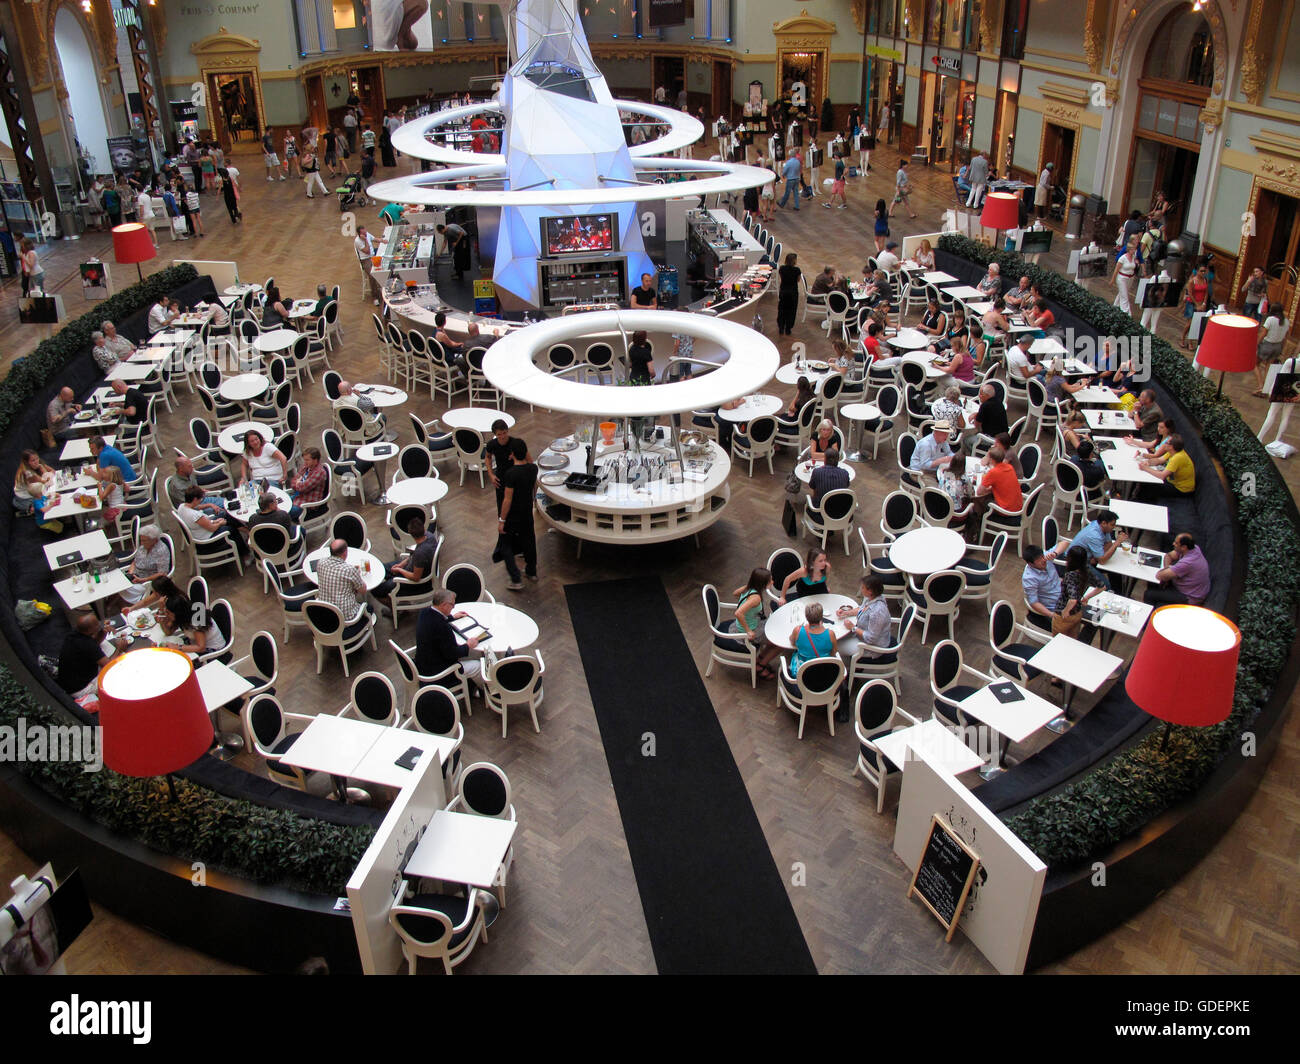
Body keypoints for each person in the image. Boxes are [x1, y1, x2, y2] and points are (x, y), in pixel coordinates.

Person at [416, 589, 484, 683]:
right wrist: (468, 645)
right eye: (452, 605)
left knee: (469, 653)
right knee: (478, 666)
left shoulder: (424, 612)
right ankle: (487, 691)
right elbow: (452, 654)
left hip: (424, 662)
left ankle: (471, 686)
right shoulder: (442, 627)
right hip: (438, 672)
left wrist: (451, 617)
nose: (454, 607)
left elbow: (436, 620)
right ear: (444, 605)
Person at [497, 439, 539, 590]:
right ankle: (531, 572)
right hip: (527, 512)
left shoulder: (511, 474)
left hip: (513, 515)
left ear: (512, 454)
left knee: (505, 544)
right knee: (529, 541)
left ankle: (515, 579)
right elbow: (534, 488)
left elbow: (507, 499)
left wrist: (502, 520)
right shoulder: (533, 469)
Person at [59, 614, 128, 699]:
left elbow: (95, 645)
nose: (100, 625)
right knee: (121, 666)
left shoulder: (74, 634)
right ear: (89, 630)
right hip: (81, 688)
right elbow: (108, 665)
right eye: (97, 625)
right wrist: (119, 649)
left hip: (72, 677)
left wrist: (103, 632)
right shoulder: (86, 644)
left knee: (105, 648)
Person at [374, 515, 438, 604]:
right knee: (380, 568)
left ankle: (397, 609)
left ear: (410, 533)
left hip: (414, 583)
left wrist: (399, 570)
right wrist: (401, 565)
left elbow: (416, 577)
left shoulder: (421, 553)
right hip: (409, 568)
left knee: (376, 590)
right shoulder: (429, 536)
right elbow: (412, 555)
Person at [178, 485, 246, 557]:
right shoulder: (195, 515)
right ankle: (244, 553)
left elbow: (197, 508)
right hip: (206, 540)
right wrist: (220, 523)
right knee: (231, 529)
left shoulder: (182, 506)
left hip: (201, 531)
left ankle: (246, 531)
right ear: (195, 499)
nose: (201, 501)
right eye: (200, 499)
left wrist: (214, 520)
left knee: (226, 515)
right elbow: (212, 528)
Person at [837, 575, 894, 659]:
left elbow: (871, 638)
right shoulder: (870, 597)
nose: (861, 589)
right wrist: (846, 613)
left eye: (863, 587)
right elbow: (862, 609)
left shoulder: (877, 612)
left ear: (870, 591)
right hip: (860, 635)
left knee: (835, 646)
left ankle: (846, 668)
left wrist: (853, 628)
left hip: (871, 647)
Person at [1147, 532, 1211, 606]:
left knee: (1149, 594)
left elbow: (1159, 576)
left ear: (1184, 547)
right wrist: (1167, 571)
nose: (1173, 544)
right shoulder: (1193, 548)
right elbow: (1169, 556)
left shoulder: (1187, 563)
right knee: (1153, 582)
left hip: (1190, 597)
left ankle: (1149, 616)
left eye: (1176, 543)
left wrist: (1168, 573)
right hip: (1189, 587)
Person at [1021, 540, 1072, 631]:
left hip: (1066, 596)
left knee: (1092, 617)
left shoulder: (1046, 556)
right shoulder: (1029, 578)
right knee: (1072, 628)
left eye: (1042, 557)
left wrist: (1055, 553)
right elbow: (1033, 602)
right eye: (1038, 560)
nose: (1043, 560)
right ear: (1030, 564)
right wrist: (1052, 615)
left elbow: (1065, 543)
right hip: (1054, 607)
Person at [1053, 545, 1102, 638]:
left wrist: (1065, 611)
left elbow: (1073, 600)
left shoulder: (1070, 575)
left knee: (1057, 642)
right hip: (1078, 613)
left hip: (1063, 615)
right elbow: (1101, 586)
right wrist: (1086, 597)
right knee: (1072, 640)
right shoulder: (1086, 570)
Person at [159, 593, 227, 658]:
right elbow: (168, 632)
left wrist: (177, 647)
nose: (166, 614)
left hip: (212, 649)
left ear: (178, 613)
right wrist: (161, 621)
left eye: (168, 612)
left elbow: (201, 647)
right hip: (194, 643)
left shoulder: (197, 619)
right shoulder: (181, 618)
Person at [315, 539, 368, 622]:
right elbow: (363, 590)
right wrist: (358, 574)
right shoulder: (350, 570)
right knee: (369, 608)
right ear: (345, 552)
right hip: (345, 618)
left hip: (325, 612)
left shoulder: (320, 562)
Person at [1071, 509, 1127, 586]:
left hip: (1089, 559)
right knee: (1104, 585)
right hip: (1077, 563)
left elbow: (1108, 543)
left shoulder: (1103, 528)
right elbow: (1102, 561)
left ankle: (1119, 595)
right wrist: (1117, 543)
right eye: (1112, 525)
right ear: (1104, 523)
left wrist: (1099, 557)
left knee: (1115, 572)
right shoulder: (1094, 535)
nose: (1114, 527)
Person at [786, 601, 838, 674]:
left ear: (806, 617)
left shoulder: (798, 630)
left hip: (803, 672)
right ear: (821, 617)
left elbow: (792, 642)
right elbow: (834, 652)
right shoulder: (830, 634)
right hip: (825, 670)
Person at [1139, 433, 1195, 498]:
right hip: (1172, 482)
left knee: (1149, 486)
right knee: (1147, 481)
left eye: (1166, 442)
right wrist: (1147, 462)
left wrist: (1145, 468)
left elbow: (1162, 476)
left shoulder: (1177, 458)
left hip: (1182, 490)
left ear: (1171, 446)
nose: (1164, 443)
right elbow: (1159, 460)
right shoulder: (1173, 451)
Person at [485, 419, 519, 511]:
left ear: (507, 431)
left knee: (515, 503)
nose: (503, 436)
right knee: (501, 504)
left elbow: (525, 460)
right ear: (495, 434)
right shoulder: (491, 445)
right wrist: (491, 475)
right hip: (500, 477)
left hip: (514, 477)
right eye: (499, 434)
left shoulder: (515, 443)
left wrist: (516, 457)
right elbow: (488, 457)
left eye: (504, 433)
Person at [975, 445, 1022, 512]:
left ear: (991, 460)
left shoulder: (993, 472)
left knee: (979, 500)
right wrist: (991, 490)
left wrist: (988, 490)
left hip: (1006, 510)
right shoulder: (1009, 467)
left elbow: (979, 492)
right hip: (1018, 506)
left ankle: (978, 518)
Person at [1254, 311, 1289, 396]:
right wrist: (1282, 350)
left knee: (1255, 364)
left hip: (1267, 346)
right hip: (1277, 347)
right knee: (1268, 368)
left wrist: (1256, 344)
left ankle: (1260, 385)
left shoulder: (1270, 319)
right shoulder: (1286, 322)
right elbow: (1285, 338)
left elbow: (1263, 333)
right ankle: (1266, 389)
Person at [13, 450, 54, 516]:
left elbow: (52, 471)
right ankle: (26, 512)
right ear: (27, 462)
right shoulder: (27, 473)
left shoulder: (37, 462)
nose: (36, 462)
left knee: (51, 497)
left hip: (37, 491)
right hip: (24, 499)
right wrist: (41, 467)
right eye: (33, 460)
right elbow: (47, 482)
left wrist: (45, 470)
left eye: (37, 458)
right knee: (45, 505)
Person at [288, 447, 329, 511]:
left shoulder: (319, 472)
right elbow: (293, 481)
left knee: (287, 512)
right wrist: (298, 483)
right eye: (304, 460)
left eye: (307, 460)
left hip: (308, 502)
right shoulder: (306, 466)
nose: (305, 462)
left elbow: (302, 488)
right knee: (282, 503)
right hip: (299, 495)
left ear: (315, 460)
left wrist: (298, 482)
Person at [1181, 264, 1210, 350]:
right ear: (1197, 271)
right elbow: (1190, 294)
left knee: (1195, 323)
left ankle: (1190, 341)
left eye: (1204, 271)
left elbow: (1206, 293)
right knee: (1189, 322)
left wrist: (1204, 303)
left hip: (1201, 304)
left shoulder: (1205, 280)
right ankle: (1183, 337)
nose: (1203, 273)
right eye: (1201, 271)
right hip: (1191, 303)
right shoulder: (1192, 281)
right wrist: (1197, 304)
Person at [776, 253, 802, 337]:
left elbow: (782, 278)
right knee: (791, 311)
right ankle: (788, 328)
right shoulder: (797, 270)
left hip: (784, 291)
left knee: (782, 310)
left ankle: (781, 327)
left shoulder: (782, 268)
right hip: (793, 293)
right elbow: (798, 280)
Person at [1111, 240, 1139, 316]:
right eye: (1133, 249)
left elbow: (1134, 267)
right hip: (1122, 278)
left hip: (1130, 278)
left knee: (1122, 293)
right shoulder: (1122, 258)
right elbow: (1116, 270)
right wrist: (1112, 280)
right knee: (1125, 296)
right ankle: (1126, 313)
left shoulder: (1134, 257)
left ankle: (1115, 306)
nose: (1134, 251)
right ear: (1129, 250)